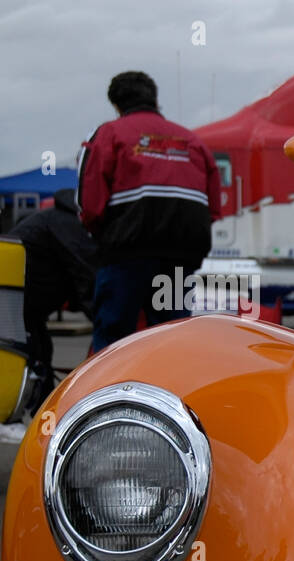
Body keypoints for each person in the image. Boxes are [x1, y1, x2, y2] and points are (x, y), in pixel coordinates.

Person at [77, 71, 221, 352]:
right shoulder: (192, 140)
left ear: (116, 106)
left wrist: (100, 237)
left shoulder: (109, 134)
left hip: (127, 255)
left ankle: (114, 392)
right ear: (154, 100)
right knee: (171, 337)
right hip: (182, 254)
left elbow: (89, 203)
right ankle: (171, 390)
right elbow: (213, 207)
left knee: (114, 340)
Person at [6, 188, 97, 410]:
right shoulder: (68, 224)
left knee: (38, 352)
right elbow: (85, 273)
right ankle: (23, 411)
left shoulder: (60, 220)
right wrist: (103, 317)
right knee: (26, 356)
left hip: (23, 302)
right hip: (15, 302)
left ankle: (39, 410)